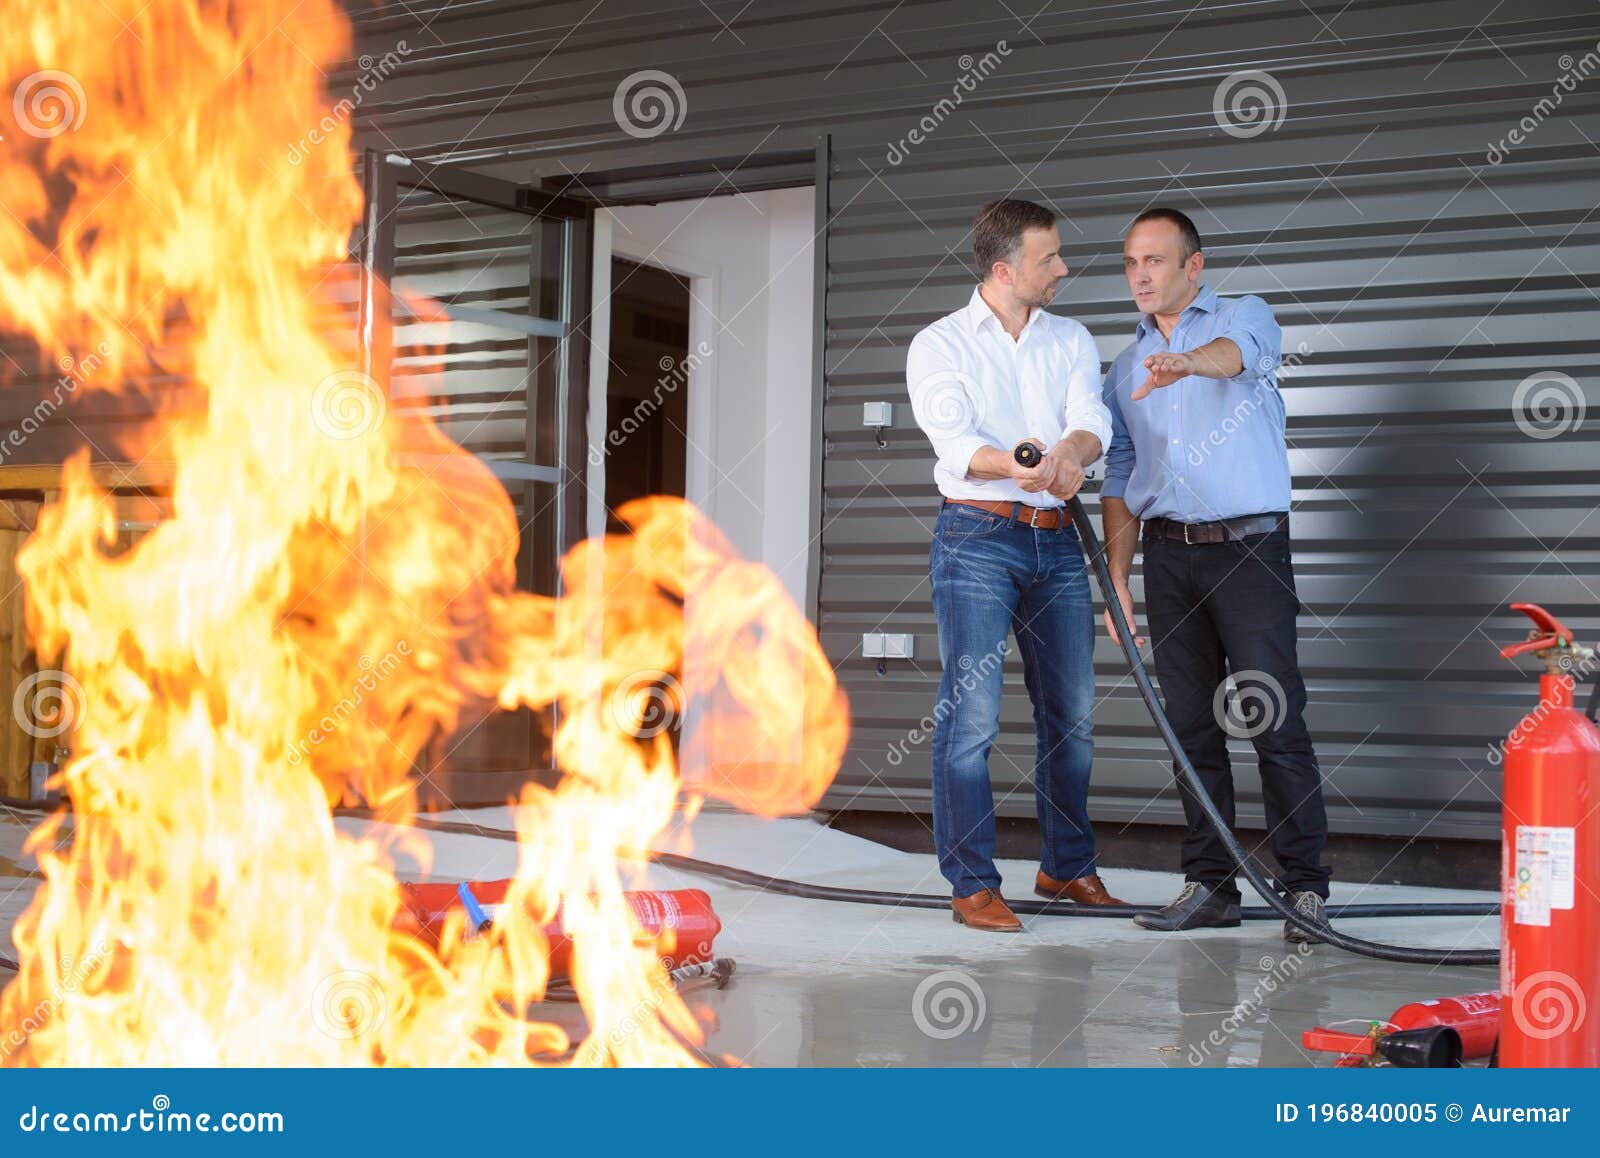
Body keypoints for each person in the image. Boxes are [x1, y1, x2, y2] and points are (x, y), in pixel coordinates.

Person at [1100, 207, 1331, 943]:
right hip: (1170, 557)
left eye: (1156, 260)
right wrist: (1118, 575)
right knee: (1191, 729)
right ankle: (1211, 886)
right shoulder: (1123, 365)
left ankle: (1305, 889)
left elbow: (1237, 357)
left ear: (1193, 267)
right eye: (1132, 261)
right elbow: (1121, 470)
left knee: (1274, 719)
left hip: (1249, 553)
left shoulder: (1245, 316)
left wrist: (1186, 363)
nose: (1141, 274)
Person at [906, 197, 1123, 933]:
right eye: (1048, 258)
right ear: (1004, 269)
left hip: (1058, 539)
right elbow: (955, 442)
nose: (1063, 268)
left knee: (1074, 717)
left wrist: (1069, 456)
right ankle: (971, 882)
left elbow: (1093, 421)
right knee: (972, 718)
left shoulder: (1069, 338)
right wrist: (1018, 465)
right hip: (977, 536)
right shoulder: (938, 344)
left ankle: (1065, 866)